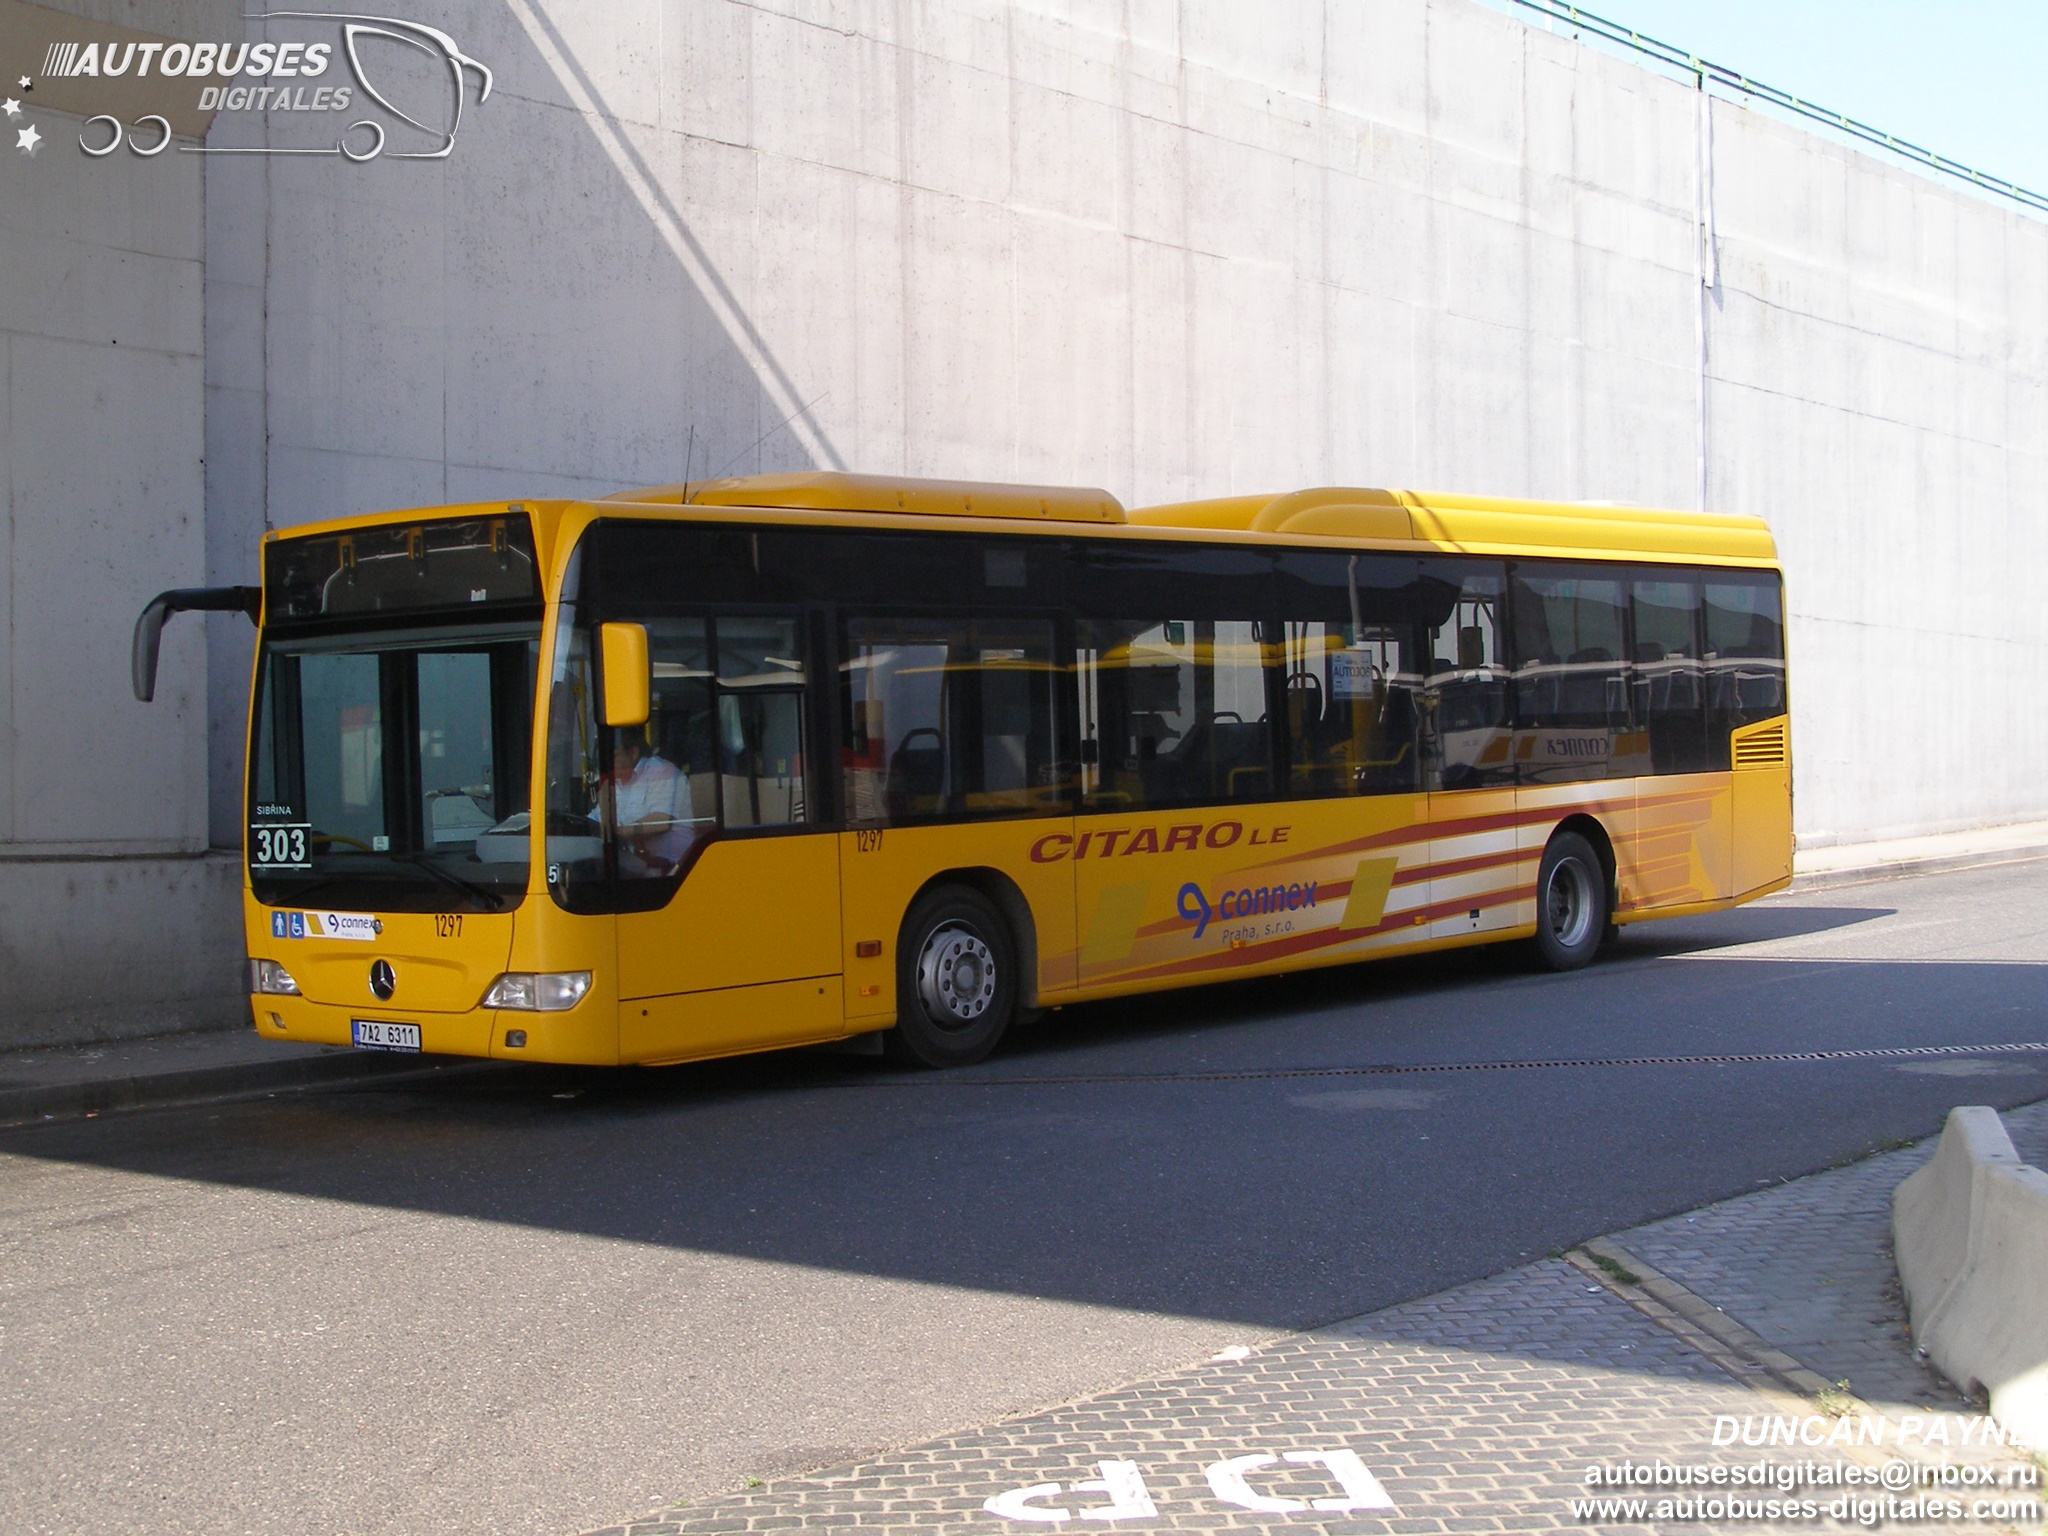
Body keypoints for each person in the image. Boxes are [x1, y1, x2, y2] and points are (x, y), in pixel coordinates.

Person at [607, 729, 695, 871]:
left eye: (614, 756)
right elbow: (598, 818)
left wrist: (616, 832)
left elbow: (660, 822)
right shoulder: (615, 782)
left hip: (677, 868)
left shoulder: (661, 770)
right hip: (637, 864)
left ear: (634, 752)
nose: (609, 762)